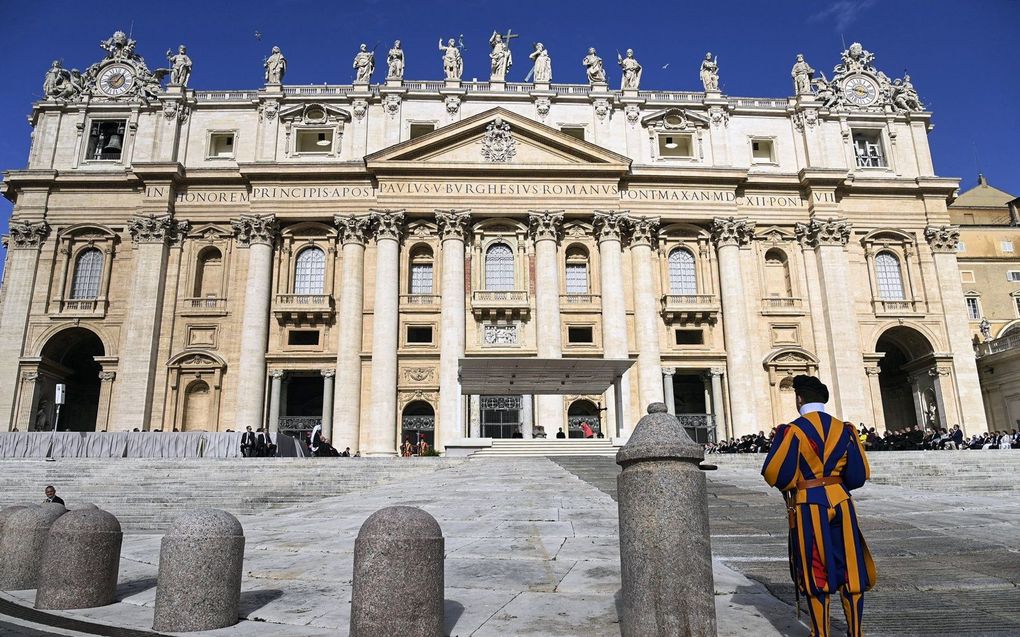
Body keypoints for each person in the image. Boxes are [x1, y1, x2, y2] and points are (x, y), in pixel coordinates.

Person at [761, 375, 875, 637]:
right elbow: (858, 476)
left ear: (799, 398)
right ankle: (855, 632)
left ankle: (820, 633)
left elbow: (775, 474)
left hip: (809, 502)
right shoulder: (846, 430)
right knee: (851, 565)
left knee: (815, 566)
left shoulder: (791, 431)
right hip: (841, 500)